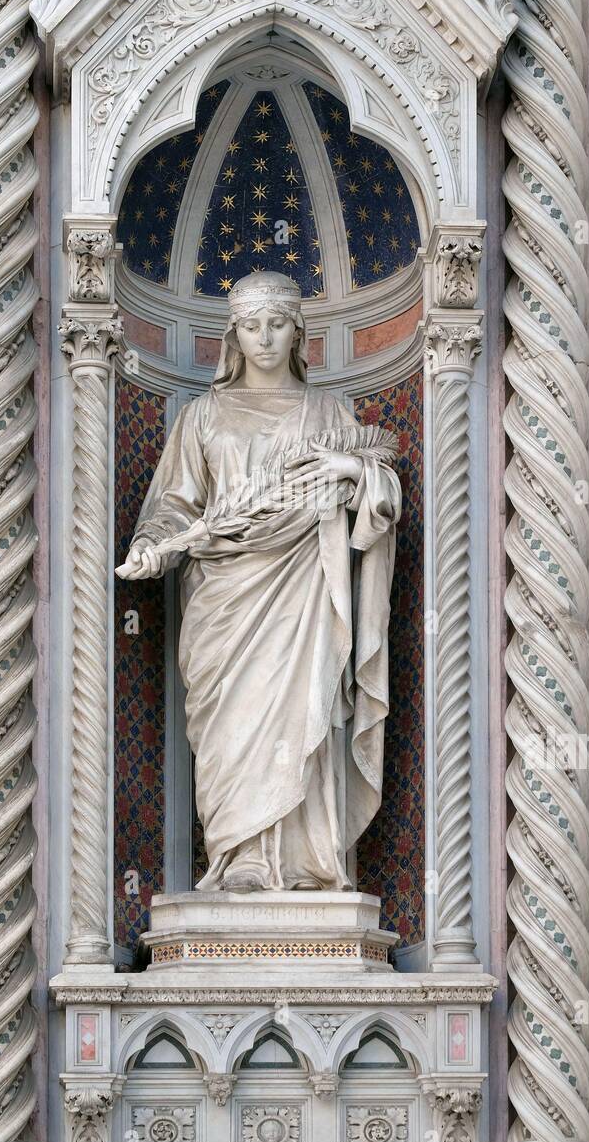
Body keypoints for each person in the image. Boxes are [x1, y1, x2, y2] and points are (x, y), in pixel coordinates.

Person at [117, 271, 401, 893]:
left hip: (304, 588)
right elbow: (175, 505)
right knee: (234, 728)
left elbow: (382, 496)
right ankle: (236, 857)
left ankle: (304, 863)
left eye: (277, 324)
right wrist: (151, 546)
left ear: (299, 330)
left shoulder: (328, 411)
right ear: (233, 335)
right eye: (251, 326)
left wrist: (351, 467)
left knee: (304, 716)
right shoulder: (202, 416)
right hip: (225, 598)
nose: (265, 339)